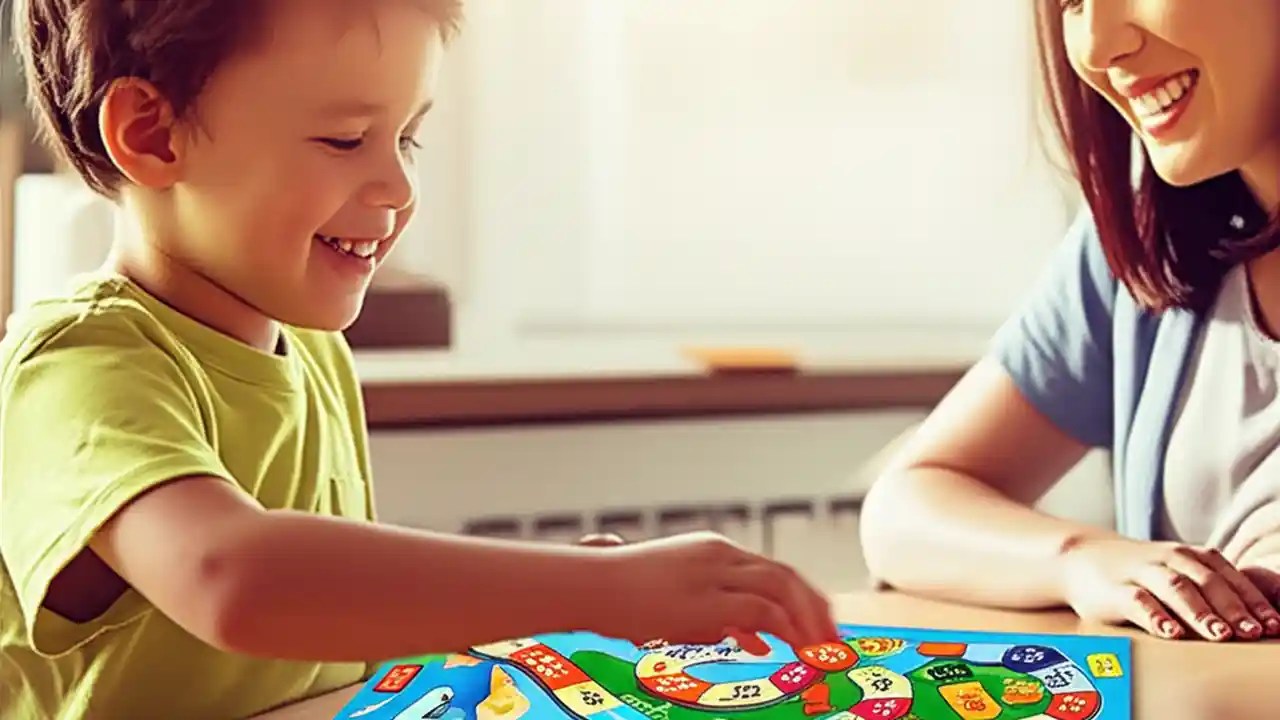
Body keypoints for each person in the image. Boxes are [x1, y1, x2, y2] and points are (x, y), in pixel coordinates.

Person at [0, 1, 839, 718]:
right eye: (345, 138)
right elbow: (234, 579)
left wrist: (558, 585)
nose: (398, 188)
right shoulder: (76, 363)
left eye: (408, 139)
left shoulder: (314, 348)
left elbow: (323, 607)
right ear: (151, 134)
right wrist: (604, 591)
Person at [861, 0, 1280, 643]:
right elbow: (905, 509)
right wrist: (1085, 561)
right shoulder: (1147, 249)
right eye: (1073, 2)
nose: (1099, 45)